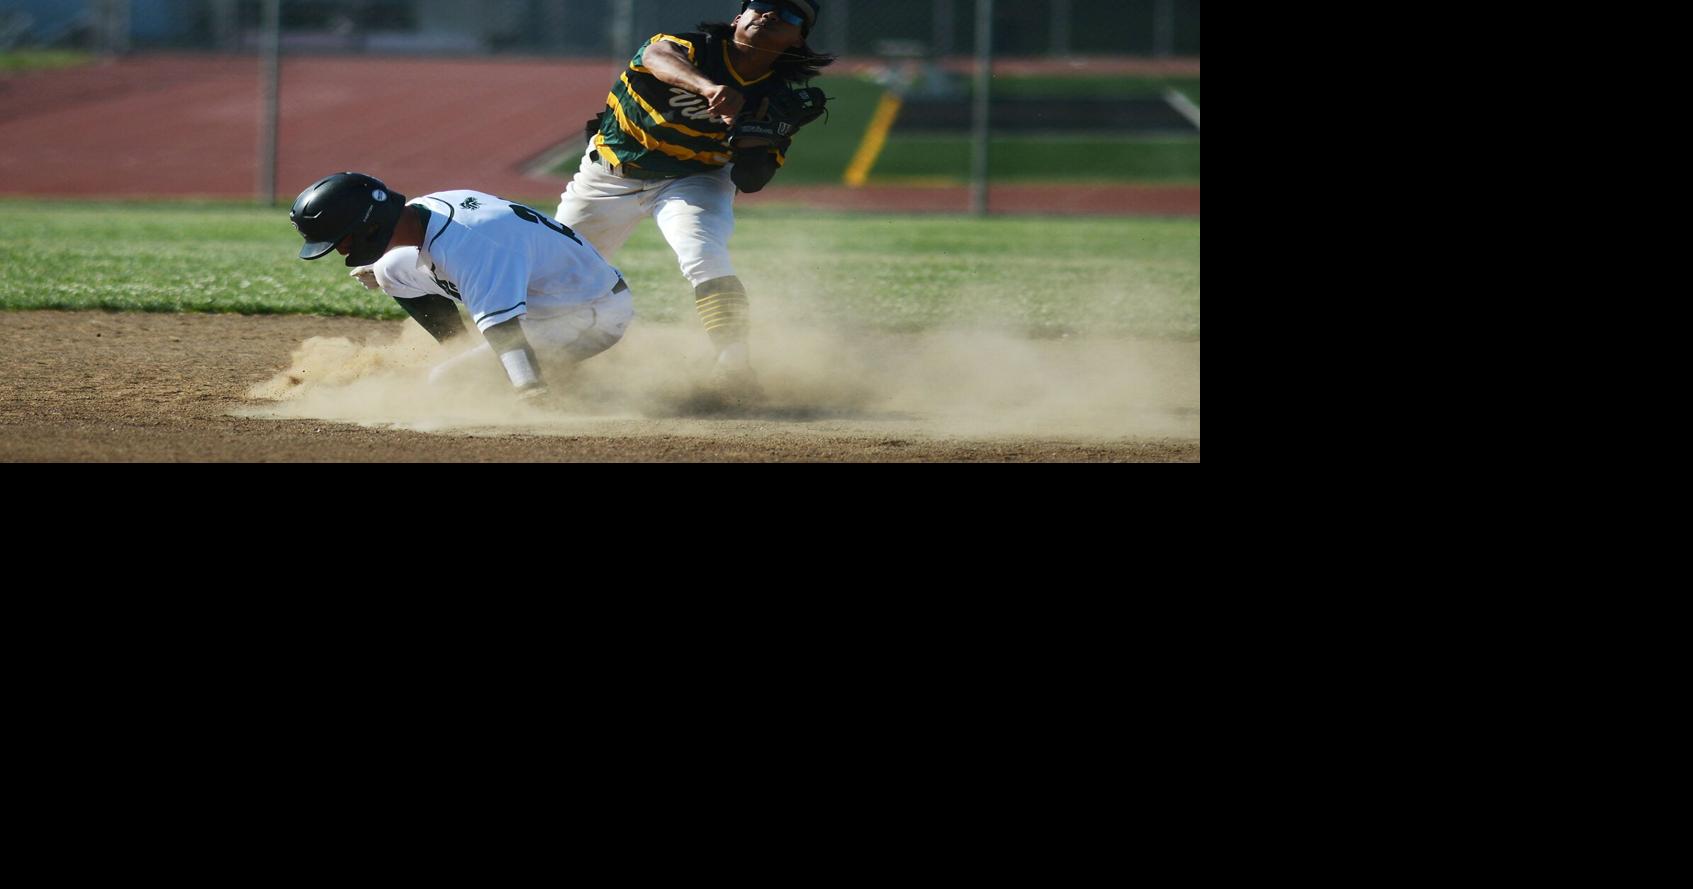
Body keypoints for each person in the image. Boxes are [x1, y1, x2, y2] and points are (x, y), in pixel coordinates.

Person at [554, 0, 834, 393]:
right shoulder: (689, 48)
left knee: (703, 252)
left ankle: (734, 365)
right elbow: (654, 56)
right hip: (608, 175)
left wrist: (764, 137)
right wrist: (709, 87)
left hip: (694, 179)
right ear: (739, 18)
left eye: (789, 15)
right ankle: (544, 358)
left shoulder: (775, 98)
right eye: (762, 4)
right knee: (554, 271)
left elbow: (751, 180)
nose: (770, 14)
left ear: (797, 40)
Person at [289, 171, 633, 398]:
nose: (342, 250)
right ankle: (461, 350)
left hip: (591, 314)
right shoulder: (426, 211)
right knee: (390, 268)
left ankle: (580, 389)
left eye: (342, 240)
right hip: (549, 296)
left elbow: (504, 331)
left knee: (450, 382)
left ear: (370, 226)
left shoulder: (473, 246)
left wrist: (530, 391)